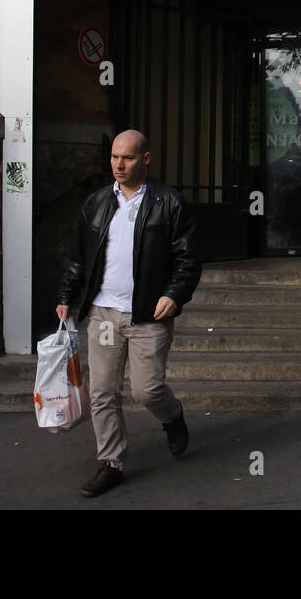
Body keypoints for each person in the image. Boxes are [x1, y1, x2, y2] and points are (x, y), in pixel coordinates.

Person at [57, 129, 200, 497]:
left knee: (147, 390)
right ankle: (111, 463)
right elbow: (79, 256)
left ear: (146, 159)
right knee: (102, 392)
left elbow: (188, 258)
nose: (119, 165)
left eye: (128, 158)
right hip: (104, 313)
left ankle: (172, 417)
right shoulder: (98, 202)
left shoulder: (169, 203)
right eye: (115, 157)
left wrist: (175, 293)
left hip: (148, 314)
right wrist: (66, 295)